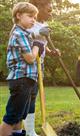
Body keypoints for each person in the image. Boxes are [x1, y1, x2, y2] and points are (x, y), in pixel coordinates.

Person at [0, 2, 44, 136]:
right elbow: (30, 58)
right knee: (11, 118)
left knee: (19, 116)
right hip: (21, 79)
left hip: (26, 79)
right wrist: (37, 44)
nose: (33, 20)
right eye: (30, 16)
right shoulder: (19, 34)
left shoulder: (24, 33)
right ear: (18, 15)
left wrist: (37, 44)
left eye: (35, 17)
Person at [23, 1, 60, 136]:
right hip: (28, 64)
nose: (51, 8)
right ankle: (26, 130)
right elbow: (22, 39)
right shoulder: (27, 23)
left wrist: (51, 52)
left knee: (33, 96)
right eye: (48, 6)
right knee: (26, 97)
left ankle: (30, 131)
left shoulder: (44, 24)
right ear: (38, 7)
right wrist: (38, 32)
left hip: (40, 63)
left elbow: (42, 44)